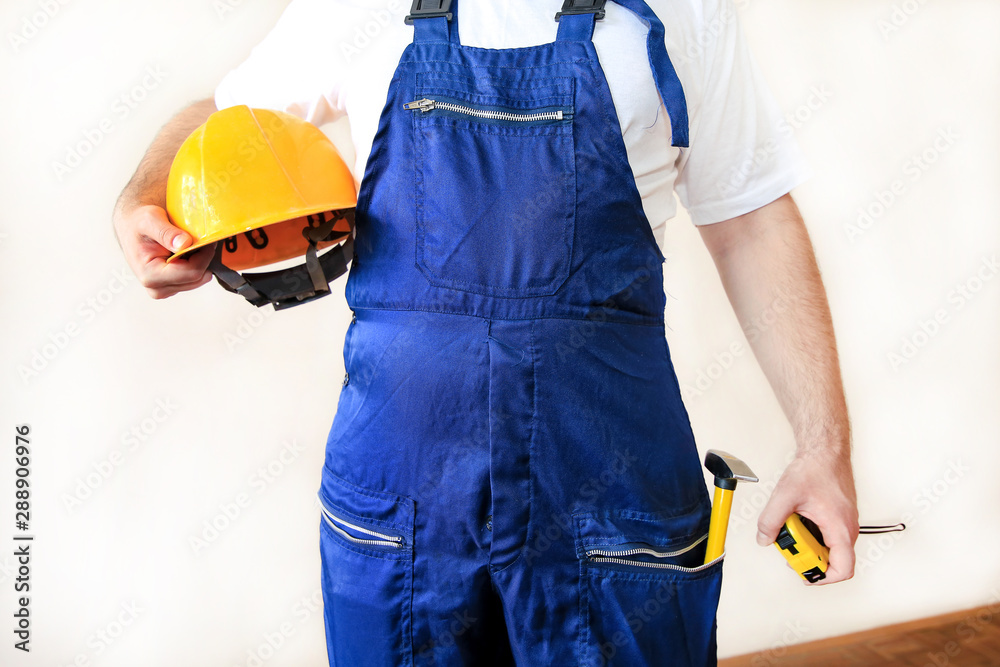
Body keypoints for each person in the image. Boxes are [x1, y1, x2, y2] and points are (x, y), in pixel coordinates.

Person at [112, 1, 859, 664]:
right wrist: (140, 195)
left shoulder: (680, 10)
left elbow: (753, 220)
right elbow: (220, 116)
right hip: (398, 500)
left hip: (612, 498)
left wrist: (823, 446)